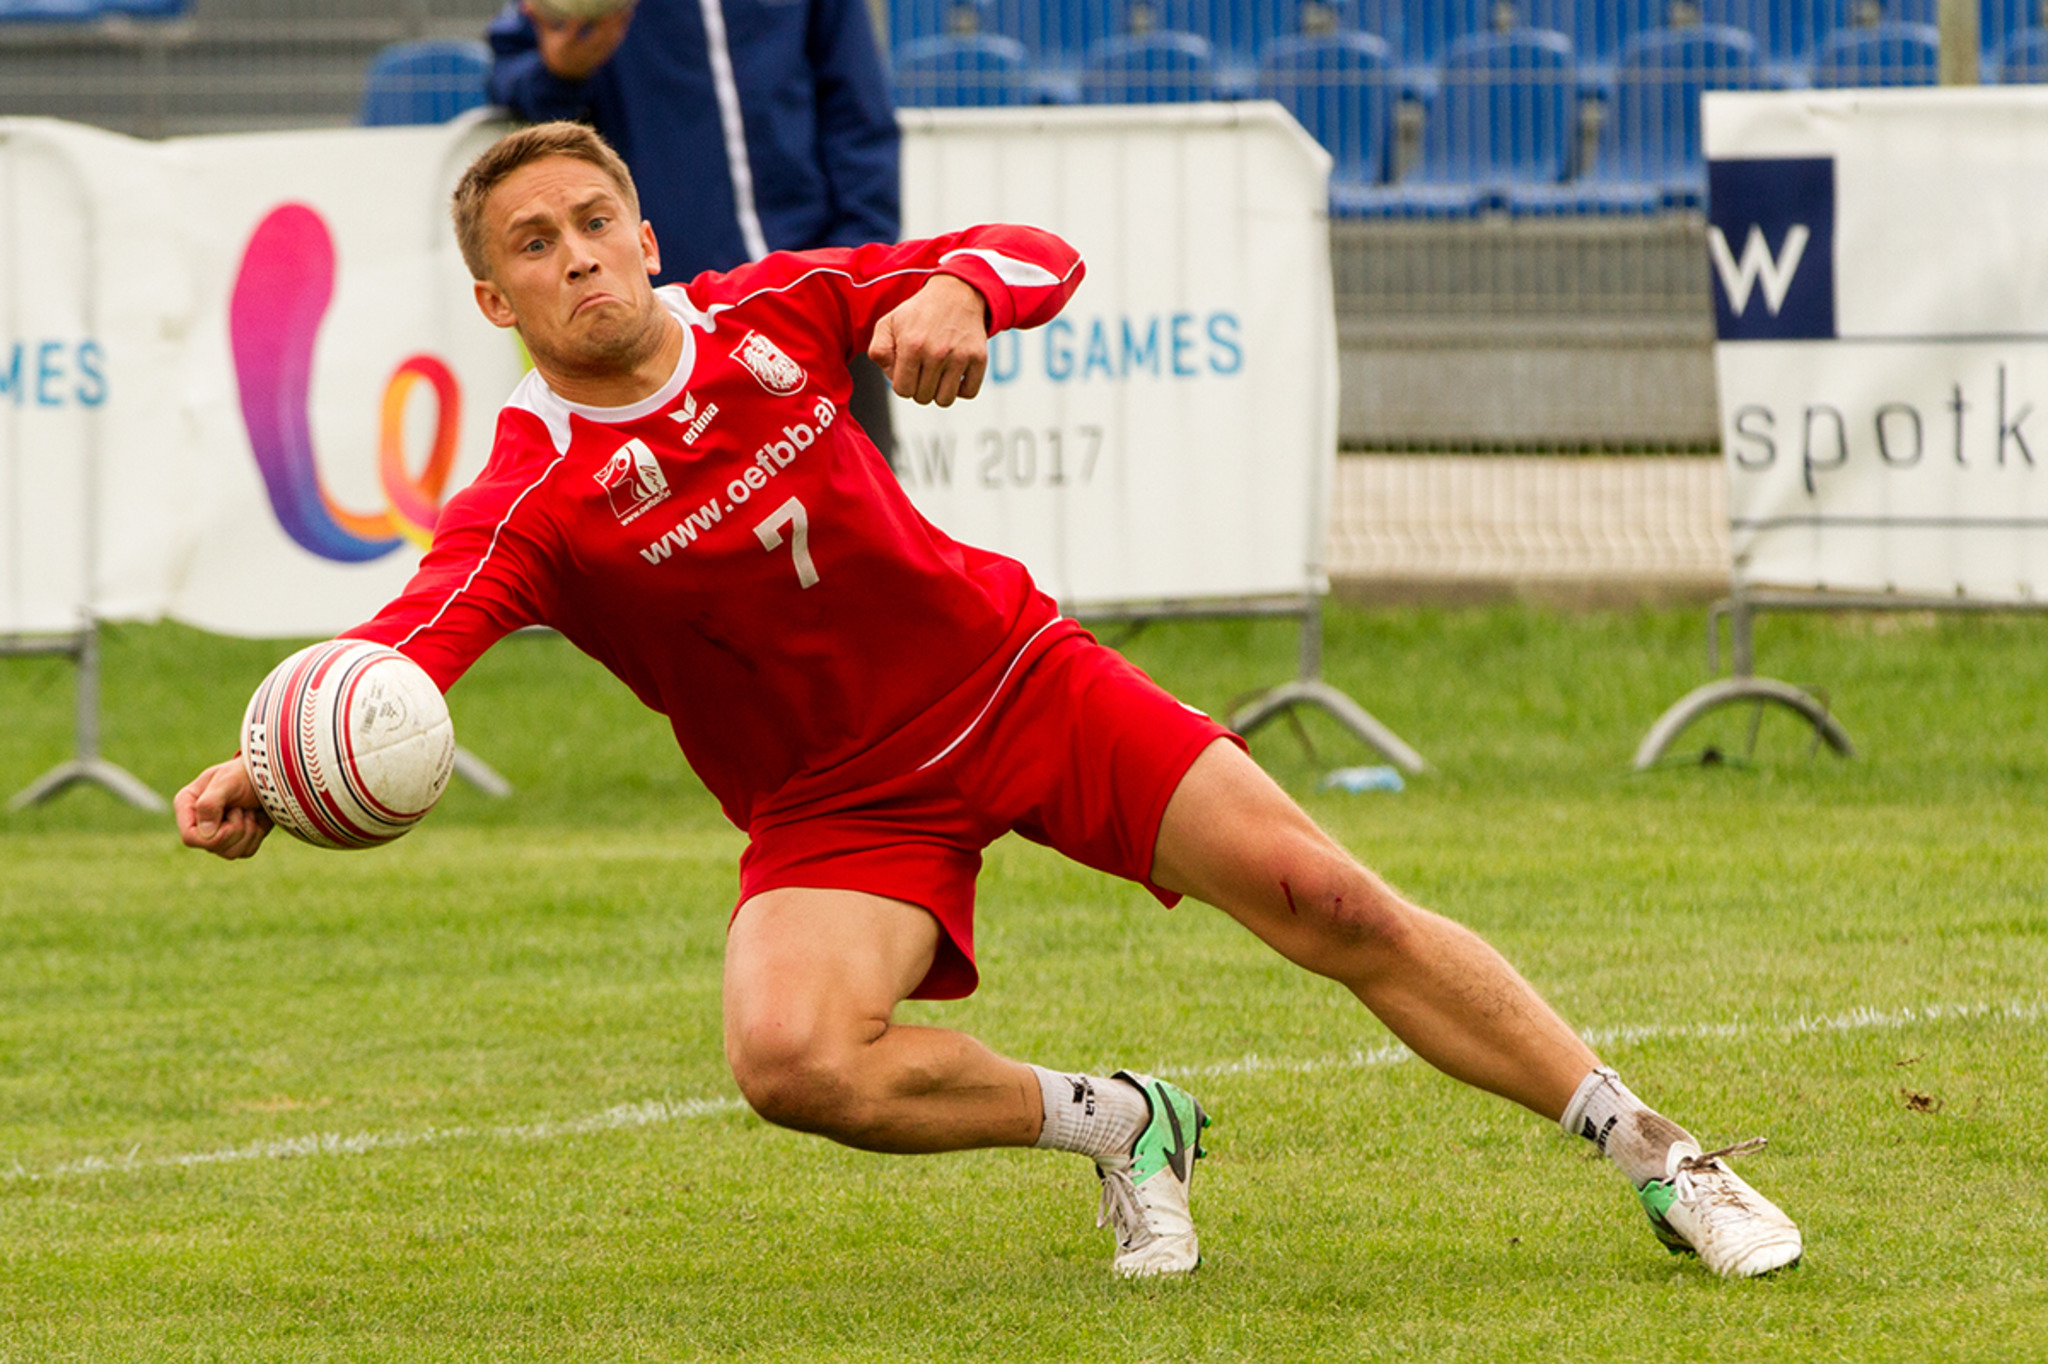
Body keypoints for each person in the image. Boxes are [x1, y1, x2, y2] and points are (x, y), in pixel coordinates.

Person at [177, 121, 1803, 1280]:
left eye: (594, 216)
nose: (576, 253)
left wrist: (960, 290)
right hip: (836, 806)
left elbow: (1032, 249)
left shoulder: (784, 309)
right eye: (532, 243)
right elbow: (414, 637)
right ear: (495, 304)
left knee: (1327, 893)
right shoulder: (536, 487)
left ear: (647, 230)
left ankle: (1661, 1154)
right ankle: (1118, 1119)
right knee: (787, 1052)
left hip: (1011, 680)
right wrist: (267, 757)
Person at [484, 0, 900, 452]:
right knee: (700, 520)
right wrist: (559, 72)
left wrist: (851, 273)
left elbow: (860, 113)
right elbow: (512, 84)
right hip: (665, 330)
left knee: (868, 512)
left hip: (814, 303)